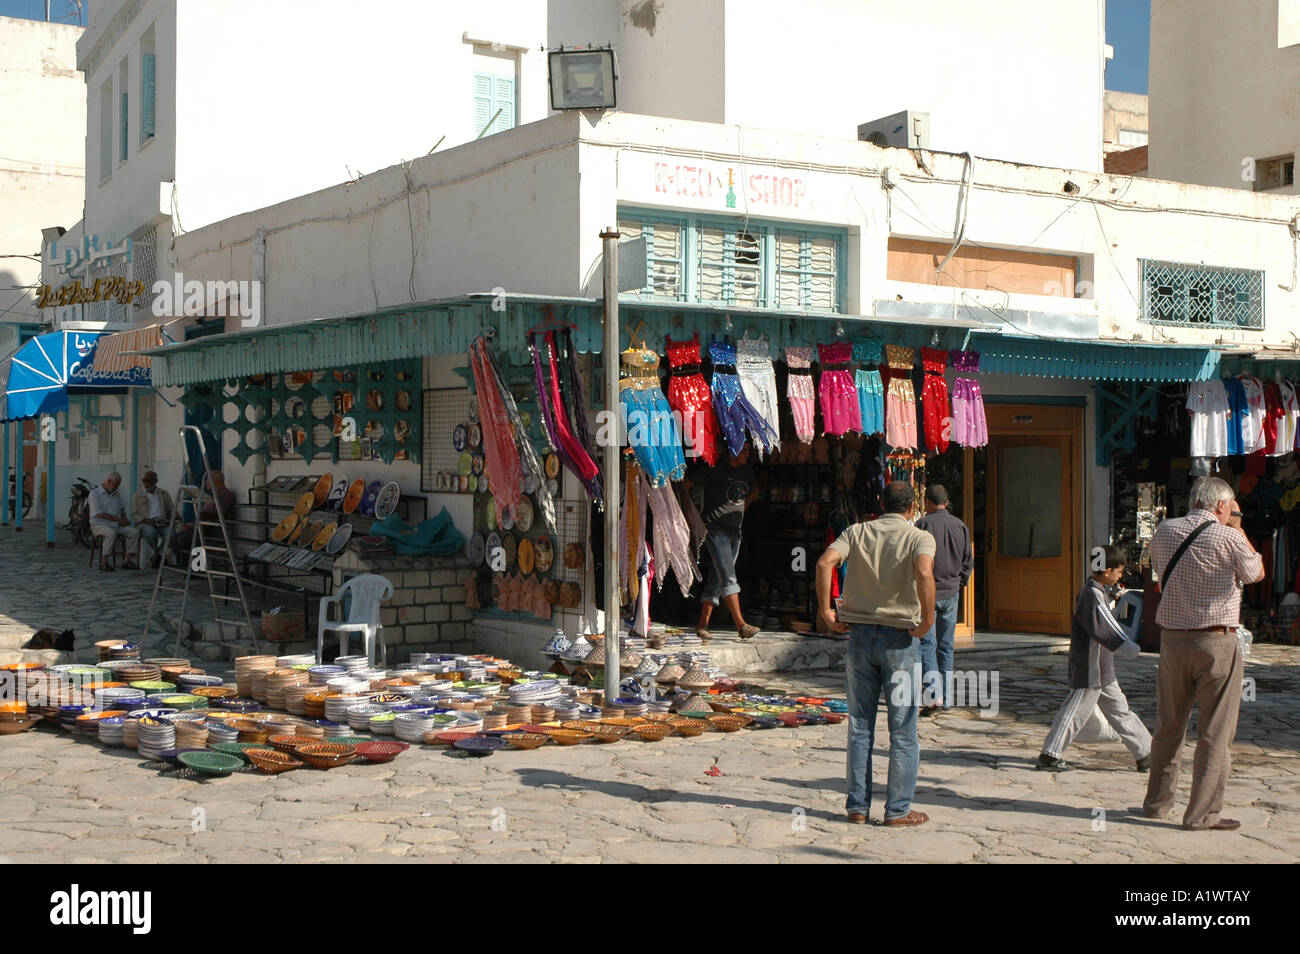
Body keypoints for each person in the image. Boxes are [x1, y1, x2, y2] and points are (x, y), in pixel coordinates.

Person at [1143, 476, 1263, 831]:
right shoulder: (1228, 535)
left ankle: (1156, 803)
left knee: (1168, 727)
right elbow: (1256, 572)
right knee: (1215, 732)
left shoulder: (1164, 530)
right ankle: (1202, 814)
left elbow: (1159, 572)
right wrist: (1239, 528)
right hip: (1216, 643)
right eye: (1231, 510)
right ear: (1223, 506)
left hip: (1172, 641)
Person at [816, 480, 935, 827]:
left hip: (860, 637)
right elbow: (925, 572)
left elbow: (825, 563)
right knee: (903, 730)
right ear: (912, 508)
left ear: (881, 503)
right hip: (900, 639)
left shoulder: (856, 532)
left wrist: (826, 612)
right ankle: (897, 810)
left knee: (860, 726)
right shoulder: (919, 537)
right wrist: (928, 620)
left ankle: (857, 807)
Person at [1037, 545, 1151, 772]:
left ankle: (1146, 753)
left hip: (1101, 668)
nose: (1120, 576)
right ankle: (1051, 754)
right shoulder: (1093, 595)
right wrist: (1130, 647)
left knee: (1120, 710)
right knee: (1074, 712)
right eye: (1118, 571)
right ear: (1107, 571)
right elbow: (1106, 629)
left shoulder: (1094, 591)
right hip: (1091, 667)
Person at [687, 442, 761, 641]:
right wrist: (689, 512)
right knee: (728, 576)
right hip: (715, 529)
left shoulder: (747, 472)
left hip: (735, 531)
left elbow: (753, 490)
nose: (747, 455)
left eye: (748, 451)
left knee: (717, 576)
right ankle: (741, 625)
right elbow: (688, 483)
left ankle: (702, 624)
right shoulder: (715, 468)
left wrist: (744, 508)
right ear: (733, 450)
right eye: (744, 451)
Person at [914, 484, 972, 714]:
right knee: (946, 647)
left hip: (927, 594)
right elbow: (968, 560)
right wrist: (960, 583)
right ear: (946, 503)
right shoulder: (960, 526)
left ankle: (933, 695)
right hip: (951, 592)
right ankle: (945, 698)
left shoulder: (923, 525)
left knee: (927, 643)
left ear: (927, 502)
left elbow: (916, 562)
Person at [168, 470, 236, 565]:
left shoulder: (224, 494)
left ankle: (195, 568)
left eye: (207, 479)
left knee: (183, 540)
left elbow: (217, 514)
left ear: (215, 480)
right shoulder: (214, 494)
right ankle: (185, 566)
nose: (206, 482)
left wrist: (196, 523)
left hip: (212, 529)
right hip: (203, 527)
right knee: (174, 539)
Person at [88, 471, 141, 571]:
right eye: (116, 485)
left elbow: (122, 510)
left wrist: (124, 519)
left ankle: (127, 561)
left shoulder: (116, 495)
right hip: (99, 524)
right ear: (108, 481)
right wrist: (118, 519)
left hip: (115, 524)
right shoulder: (94, 494)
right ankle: (104, 562)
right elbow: (98, 513)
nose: (117, 487)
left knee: (134, 532)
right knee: (110, 533)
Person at [132, 471, 174, 569]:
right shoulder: (137, 496)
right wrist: (147, 521)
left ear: (155, 481)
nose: (146, 483)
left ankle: (157, 555)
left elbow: (171, 509)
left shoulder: (164, 494)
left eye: (149, 481)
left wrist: (175, 516)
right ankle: (157, 554)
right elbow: (134, 514)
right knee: (151, 533)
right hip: (146, 521)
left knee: (172, 534)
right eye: (144, 481)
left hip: (161, 521)